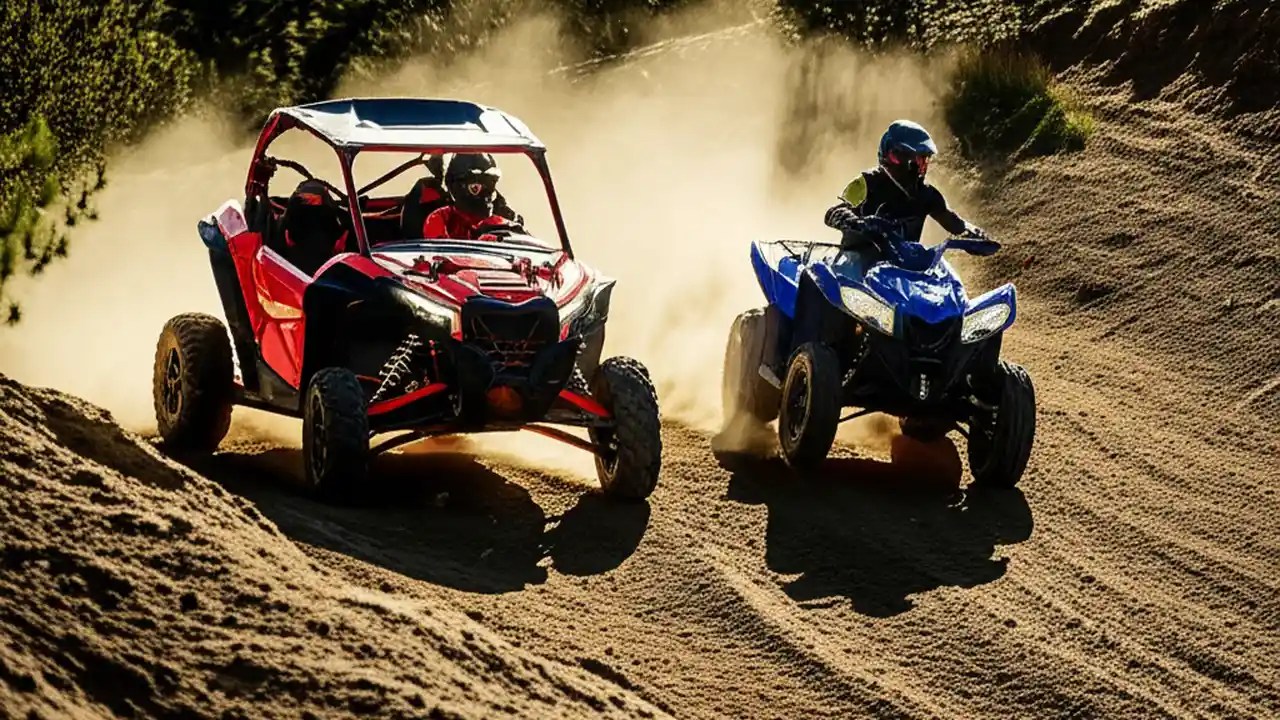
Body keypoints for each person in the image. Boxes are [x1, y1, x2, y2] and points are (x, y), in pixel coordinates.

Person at [823, 120, 987, 277]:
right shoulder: (865, 183)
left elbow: (951, 221)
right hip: (858, 263)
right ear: (896, 157)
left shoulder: (927, 195)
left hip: (902, 268)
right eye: (918, 159)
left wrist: (974, 235)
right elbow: (834, 211)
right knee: (843, 279)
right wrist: (857, 223)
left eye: (925, 160)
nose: (922, 166)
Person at [422, 153, 523, 240]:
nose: (485, 194)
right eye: (475, 187)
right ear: (457, 187)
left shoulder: (503, 223)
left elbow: (528, 253)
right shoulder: (442, 218)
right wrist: (482, 246)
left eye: (489, 184)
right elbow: (438, 255)